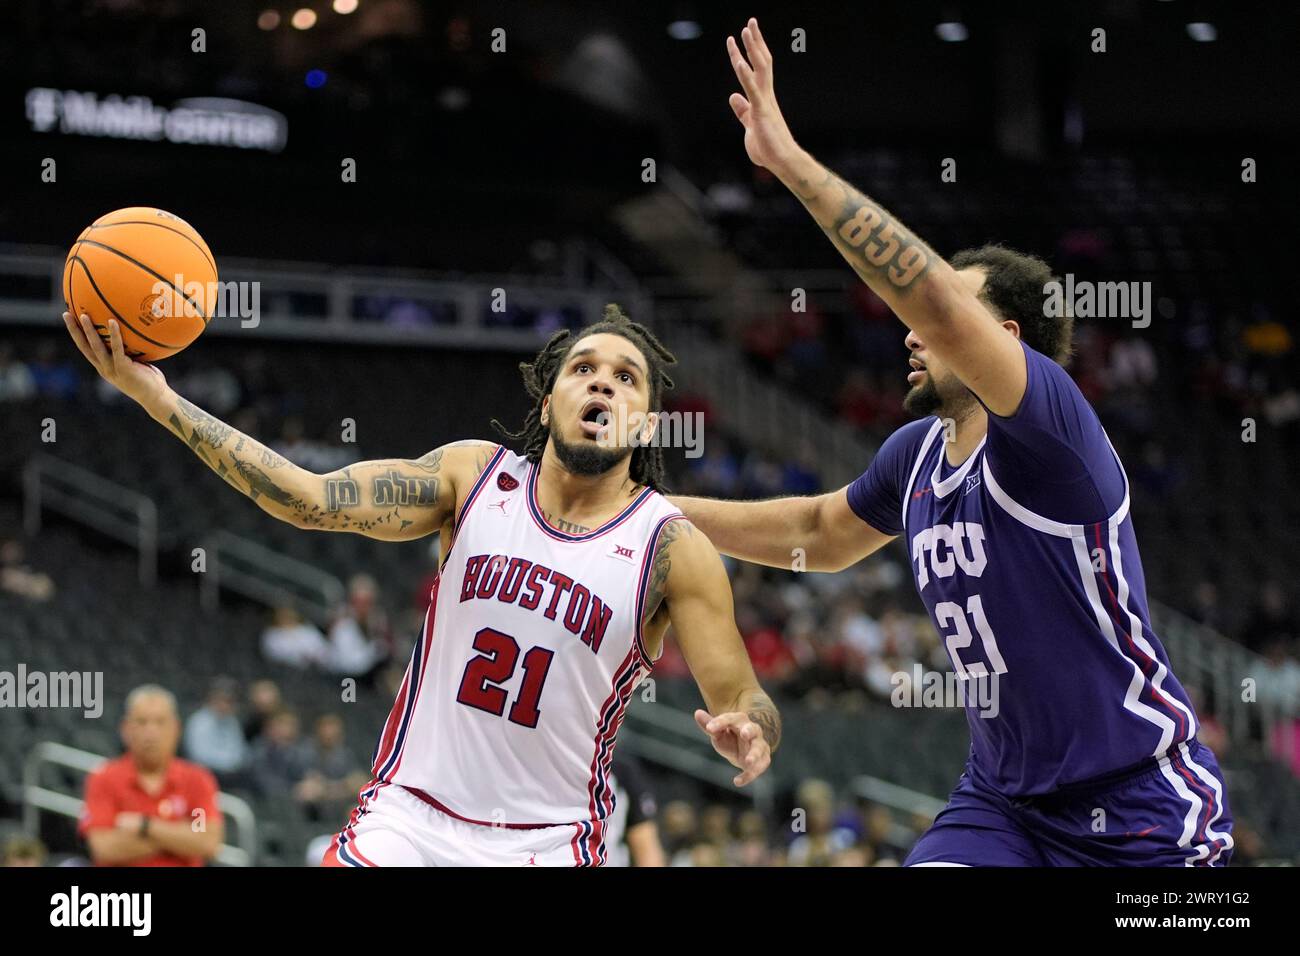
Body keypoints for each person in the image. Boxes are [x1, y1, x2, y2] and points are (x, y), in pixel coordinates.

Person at [668, 18, 1231, 867]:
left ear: (1003, 335)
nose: (910, 336)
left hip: (1135, 794)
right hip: (1002, 801)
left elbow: (930, 300)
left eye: (943, 328)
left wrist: (789, 163)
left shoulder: (1052, 430)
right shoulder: (918, 454)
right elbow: (818, 536)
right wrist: (657, 510)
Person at [64, 303, 780, 867]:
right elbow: (306, 498)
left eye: (626, 378)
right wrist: (157, 399)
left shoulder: (671, 547)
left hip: (546, 841)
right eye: (582, 368)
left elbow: (743, 698)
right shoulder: (473, 478)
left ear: (648, 423)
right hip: (408, 817)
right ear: (545, 404)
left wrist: (752, 729)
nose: (601, 381)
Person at [79, 685, 223, 867]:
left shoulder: (197, 780)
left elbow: (207, 842)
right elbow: (104, 848)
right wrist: (179, 836)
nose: (151, 732)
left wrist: (145, 826)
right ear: (126, 728)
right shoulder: (103, 778)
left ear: (176, 728)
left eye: (160, 722)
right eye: (142, 722)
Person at [182, 678, 248, 789]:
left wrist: (232, 766)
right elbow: (199, 755)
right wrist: (227, 765)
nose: (225, 705)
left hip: (230, 774)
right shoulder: (199, 721)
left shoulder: (232, 722)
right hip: (206, 773)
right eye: (222, 699)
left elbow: (239, 752)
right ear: (212, 699)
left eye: (230, 701)